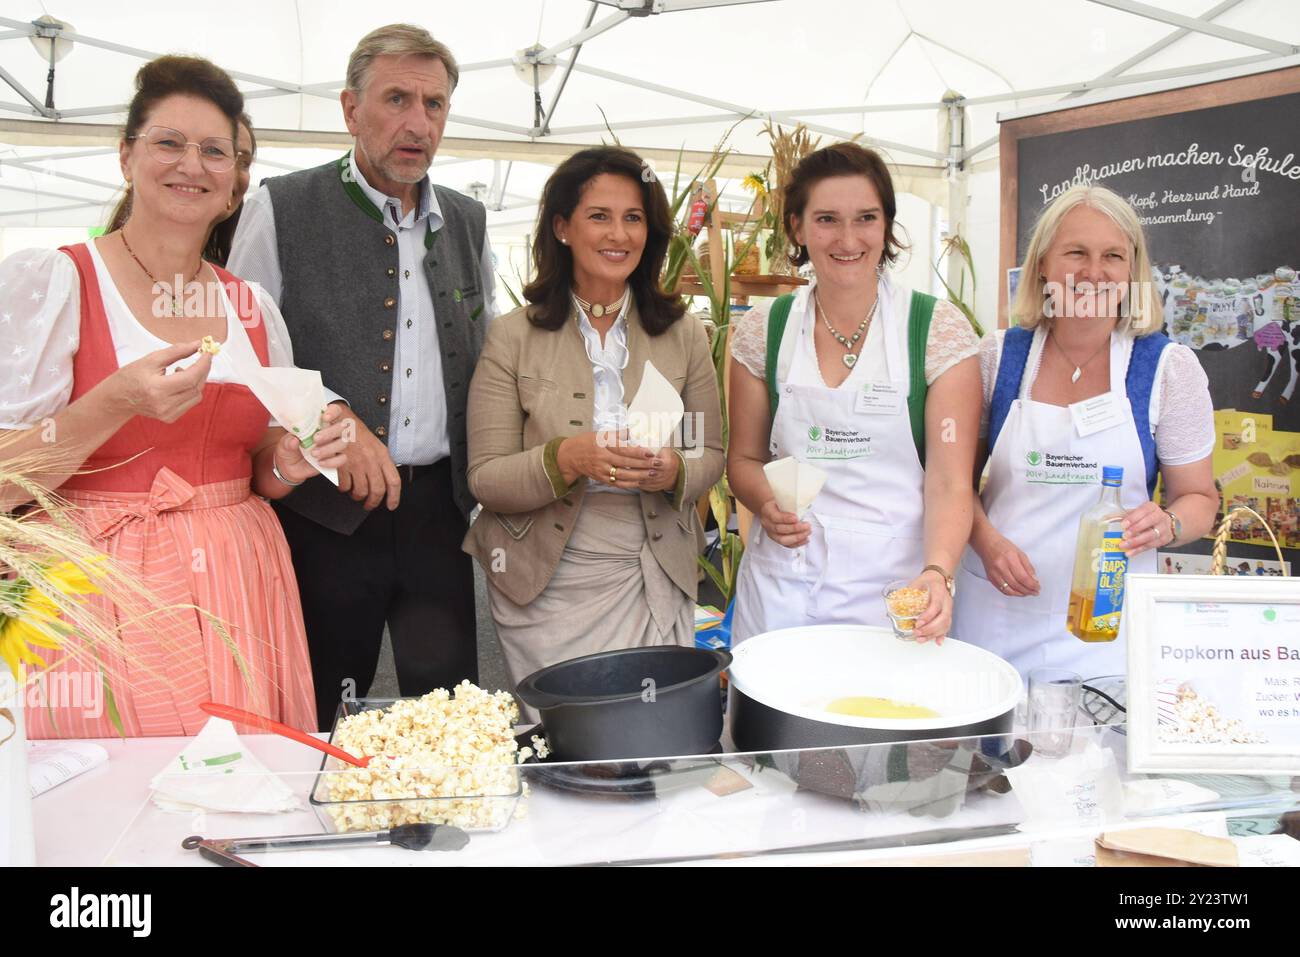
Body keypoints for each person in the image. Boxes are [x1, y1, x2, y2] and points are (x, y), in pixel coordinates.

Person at [0, 56, 350, 737]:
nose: (192, 163)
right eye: (169, 142)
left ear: (232, 184)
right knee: (111, 810)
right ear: (126, 156)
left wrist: (291, 462)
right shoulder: (55, 281)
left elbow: (255, 468)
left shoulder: (252, 306)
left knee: (236, 799)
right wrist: (115, 402)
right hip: (94, 587)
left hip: (239, 582)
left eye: (215, 150)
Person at [228, 24, 497, 730]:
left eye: (434, 104)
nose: (418, 123)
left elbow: (485, 353)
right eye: (397, 99)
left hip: (439, 509)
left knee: (448, 711)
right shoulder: (281, 205)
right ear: (351, 109)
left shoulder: (468, 221)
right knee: (319, 705)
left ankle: (444, 834)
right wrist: (333, 418)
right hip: (324, 511)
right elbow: (246, 353)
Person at [463, 146, 724, 712]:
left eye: (633, 218)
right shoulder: (513, 336)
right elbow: (486, 478)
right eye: (599, 216)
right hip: (550, 580)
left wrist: (674, 468)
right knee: (576, 745)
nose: (619, 234)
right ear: (562, 227)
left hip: (655, 565)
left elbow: (709, 450)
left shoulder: (683, 333)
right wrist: (568, 459)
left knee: (657, 739)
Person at [951, 185, 1218, 676]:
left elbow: (1199, 498)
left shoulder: (1167, 369)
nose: (1094, 272)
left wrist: (1170, 524)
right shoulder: (996, 358)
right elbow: (951, 484)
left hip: (1108, 633)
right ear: (1043, 266)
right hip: (992, 621)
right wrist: (986, 541)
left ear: (1132, 271)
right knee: (983, 753)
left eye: (1113, 255)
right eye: (1076, 252)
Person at [727, 142, 982, 644]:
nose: (848, 238)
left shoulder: (934, 331)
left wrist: (938, 572)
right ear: (797, 228)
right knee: (779, 723)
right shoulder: (765, 330)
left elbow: (951, 483)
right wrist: (765, 502)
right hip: (783, 593)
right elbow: (744, 459)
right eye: (826, 219)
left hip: (896, 594)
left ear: (886, 224)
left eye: (866, 217)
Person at [105, 112, 255, 267]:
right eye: (171, 144)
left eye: (243, 162)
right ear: (127, 159)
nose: (193, 167)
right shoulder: (83, 275)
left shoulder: (236, 285)